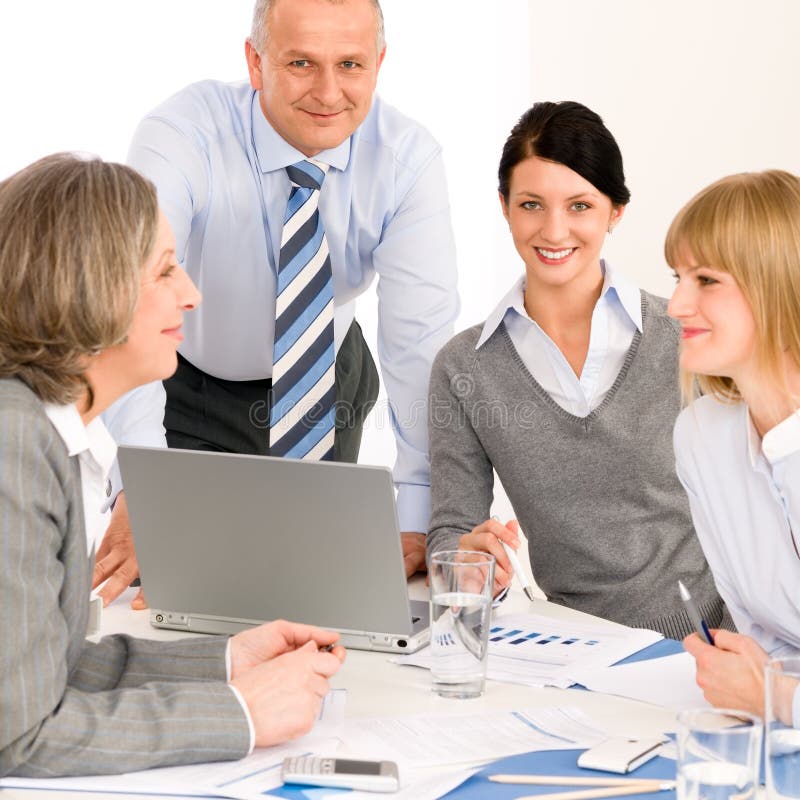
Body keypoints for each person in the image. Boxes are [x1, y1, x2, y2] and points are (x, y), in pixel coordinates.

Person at [95, 0, 459, 606]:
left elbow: (419, 346)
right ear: (255, 62)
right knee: (176, 590)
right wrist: (140, 483)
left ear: (379, 64)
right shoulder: (182, 135)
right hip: (190, 381)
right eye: (300, 62)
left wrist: (419, 508)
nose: (328, 91)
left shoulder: (408, 161)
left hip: (326, 379)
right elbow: (128, 293)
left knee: (311, 585)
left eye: (350, 64)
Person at [0, 154, 345, 777]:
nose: (191, 294)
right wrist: (239, 713)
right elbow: (18, 734)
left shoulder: (42, 430)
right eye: (165, 271)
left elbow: (50, 663)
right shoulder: (12, 443)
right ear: (87, 287)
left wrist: (227, 661)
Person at [426, 101, 728, 638]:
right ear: (504, 207)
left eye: (580, 205)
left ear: (616, 212)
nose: (554, 229)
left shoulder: (686, 337)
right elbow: (452, 530)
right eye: (532, 204)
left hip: (707, 640)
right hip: (567, 645)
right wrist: (470, 564)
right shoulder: (463, 367)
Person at [667, 169, 800, 725]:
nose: (675, 304)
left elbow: (774, 684)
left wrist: (775, 699)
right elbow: (765, 641)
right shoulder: (701, 436)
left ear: (777, 283)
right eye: (676, 276)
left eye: (705, 280)